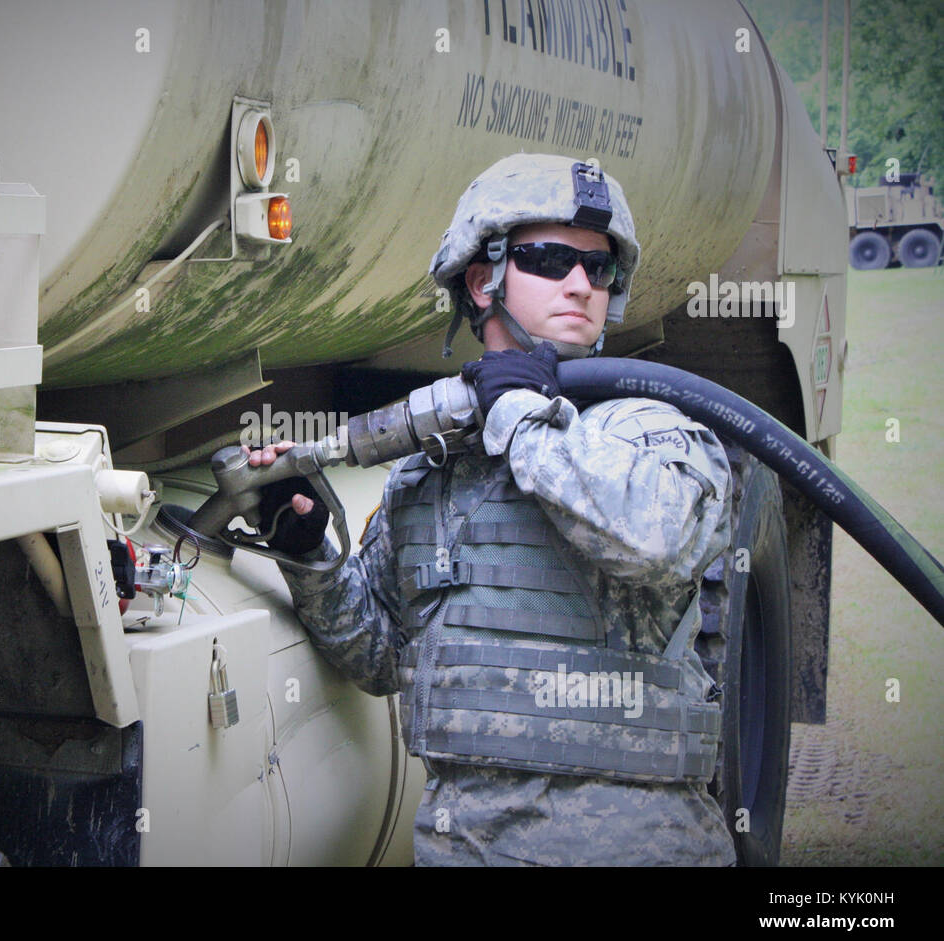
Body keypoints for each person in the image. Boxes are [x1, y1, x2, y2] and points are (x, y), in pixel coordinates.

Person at [248, 153, 738, 866]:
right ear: (483, 280)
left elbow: (659, 540)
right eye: (550, 260)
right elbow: (382, 657)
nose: (581, 285)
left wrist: (518, 411)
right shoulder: (431, 473)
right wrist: (311, 552)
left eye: (599, 270)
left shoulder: (650, 432)